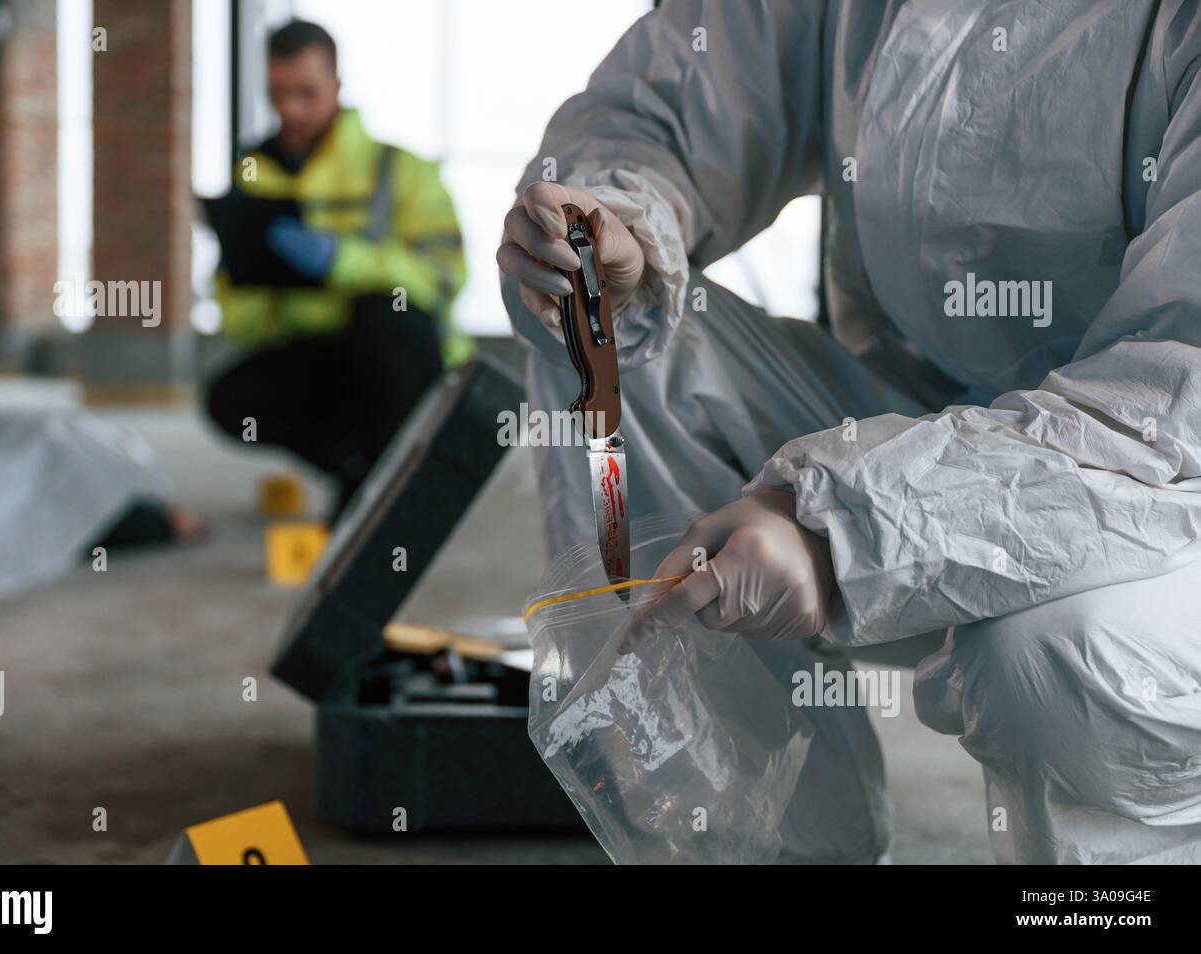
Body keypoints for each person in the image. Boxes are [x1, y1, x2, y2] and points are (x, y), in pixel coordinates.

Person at [498, 0, 1201, 864]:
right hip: (924, 426)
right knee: (623, 339)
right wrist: (615, 221)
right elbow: (677, 95)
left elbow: (1170, 396)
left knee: (1052, 657)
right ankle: (773, 851)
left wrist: (842, 525)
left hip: (1162, 489)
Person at [207, 20, 469, 514]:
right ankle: (361, 469)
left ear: (337, 86)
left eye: (306, 93)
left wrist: (342, 261)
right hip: (322, 358)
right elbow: (241, 321)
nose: (290, 110)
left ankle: (391, 479)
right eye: (278, 93)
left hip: (402, 358)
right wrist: (242, 269)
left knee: (381, 316)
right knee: (230, 399)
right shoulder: (253, 176)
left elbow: (444, 277)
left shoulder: (400, 169)